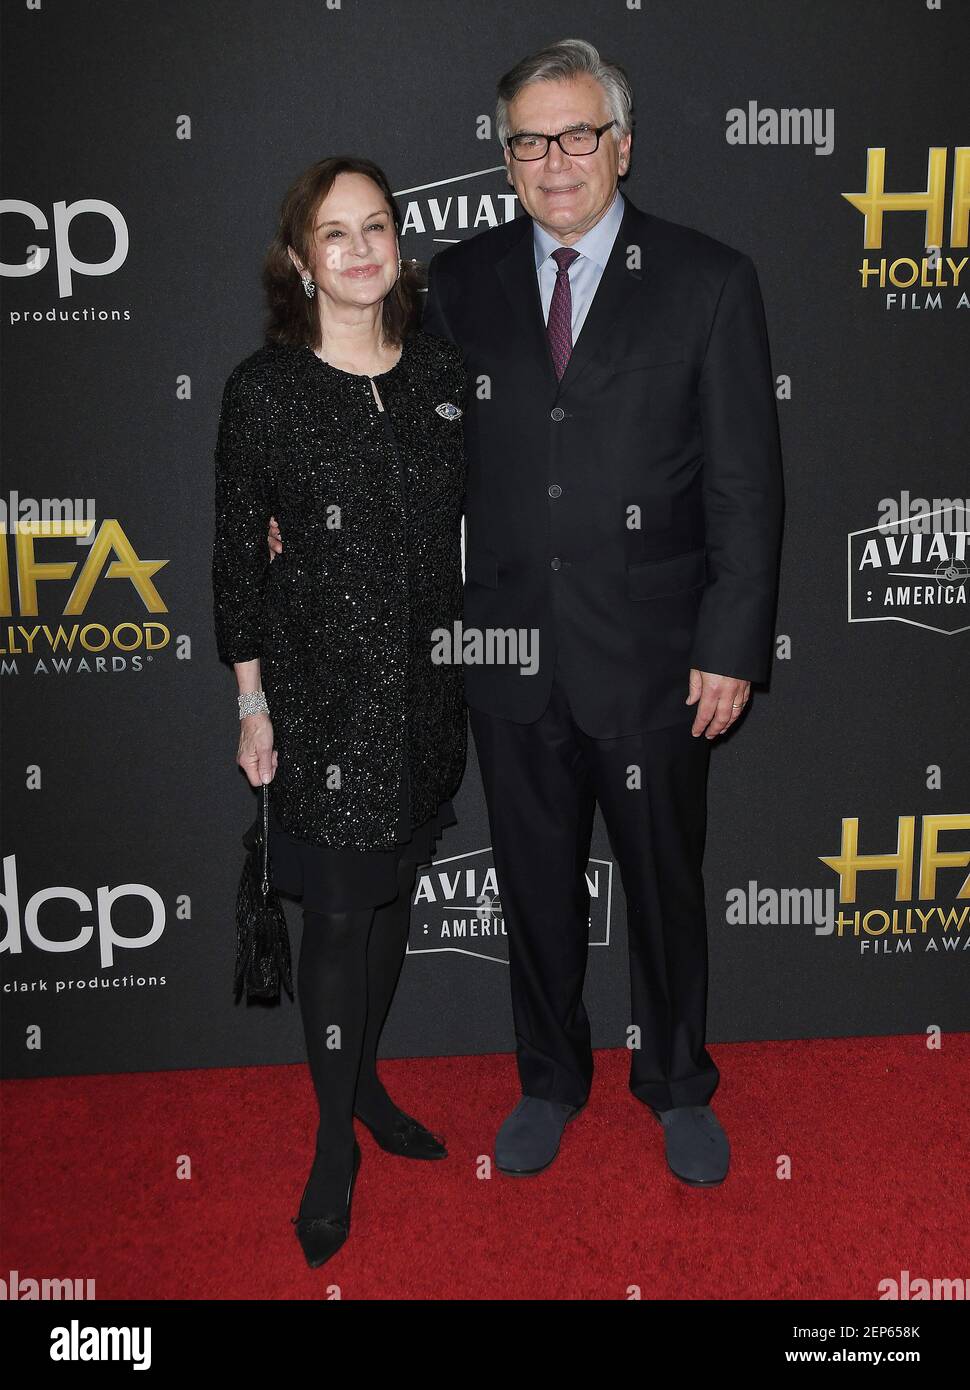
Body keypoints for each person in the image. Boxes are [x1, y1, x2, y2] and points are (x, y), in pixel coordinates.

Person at [269, 37, 784, 1190]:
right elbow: (383, 409)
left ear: (622, 143)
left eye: (578, 134)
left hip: (657, 655)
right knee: (534, 884)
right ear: (504, 156)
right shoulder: (458, 281)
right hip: (502, 651)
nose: (556, 160)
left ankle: (678, 1082)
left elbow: (748, 483)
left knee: (662, 888)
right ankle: (549, 1077)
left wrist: (730, 642)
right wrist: (291, 500)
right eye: (530, 140)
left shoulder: (709, 279)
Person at [211, 156, 467, 1268]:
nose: (361, 249)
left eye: (377, 228)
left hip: (422, 704)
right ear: (300, 259)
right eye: (336, 233)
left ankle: (362, 1082)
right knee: (334, 921)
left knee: (391, 899)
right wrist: (252, 704)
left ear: (399, 248)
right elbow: (234, 564)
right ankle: (331, 1142)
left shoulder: (444, 378)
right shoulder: (261, 392)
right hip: (316, 706)